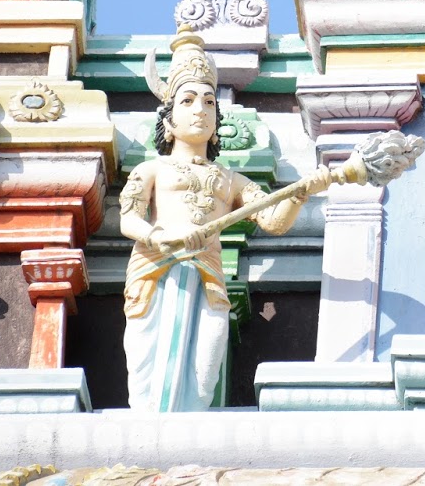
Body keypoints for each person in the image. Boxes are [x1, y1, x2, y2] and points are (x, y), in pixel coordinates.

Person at [119, 29, 330, 411]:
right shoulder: (152, 169)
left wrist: (300, 193)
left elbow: (273, 221)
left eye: (209, 102)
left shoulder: (231, 180)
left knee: (205, 366)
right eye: (187, 100)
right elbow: (129, 218)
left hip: (209, 275)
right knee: (147, 356)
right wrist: (157, 237)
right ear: (168, 120)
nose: (200, 109)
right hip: (155, 271)